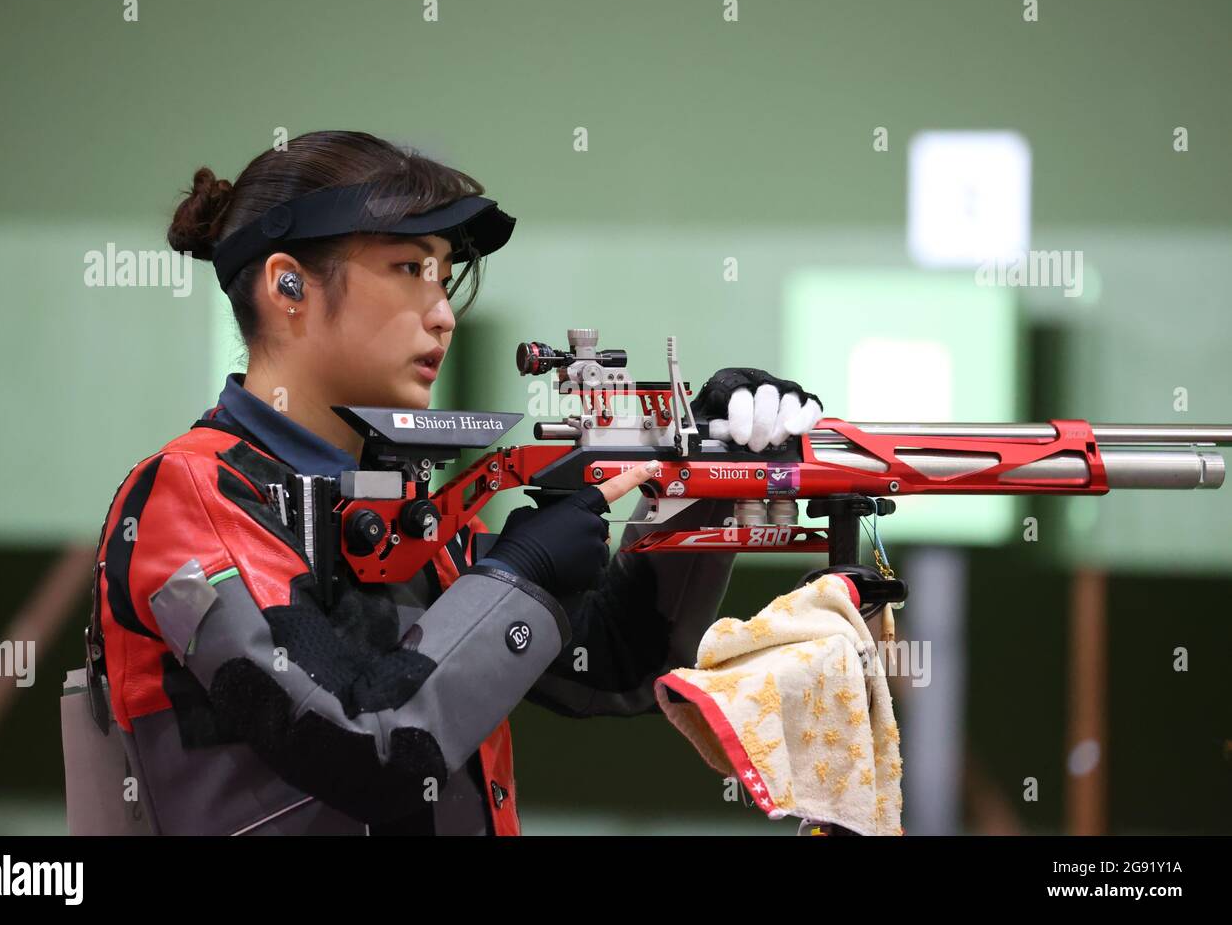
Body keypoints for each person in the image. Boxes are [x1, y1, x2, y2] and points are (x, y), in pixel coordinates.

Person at [78, 130, 824, 835]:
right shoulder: (190, 494)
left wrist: (703, 478)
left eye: (444, 276)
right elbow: (368, 745)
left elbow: (620, 667)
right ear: (288, 286)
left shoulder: (394, 499)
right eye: (410, 269)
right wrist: (518, 574)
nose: (443, 316)